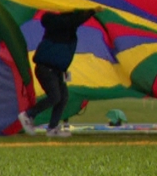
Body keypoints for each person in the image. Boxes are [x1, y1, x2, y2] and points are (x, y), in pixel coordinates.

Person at [17, 8, 100, 137]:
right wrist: (91, 11)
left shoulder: (69, 30)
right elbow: (73, 21)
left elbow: (74, 21)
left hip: (57, 70)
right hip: (46, 68)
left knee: (63, 97)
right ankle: (28, 115)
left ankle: (52, 128)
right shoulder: (56, 22)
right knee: (55, 96)